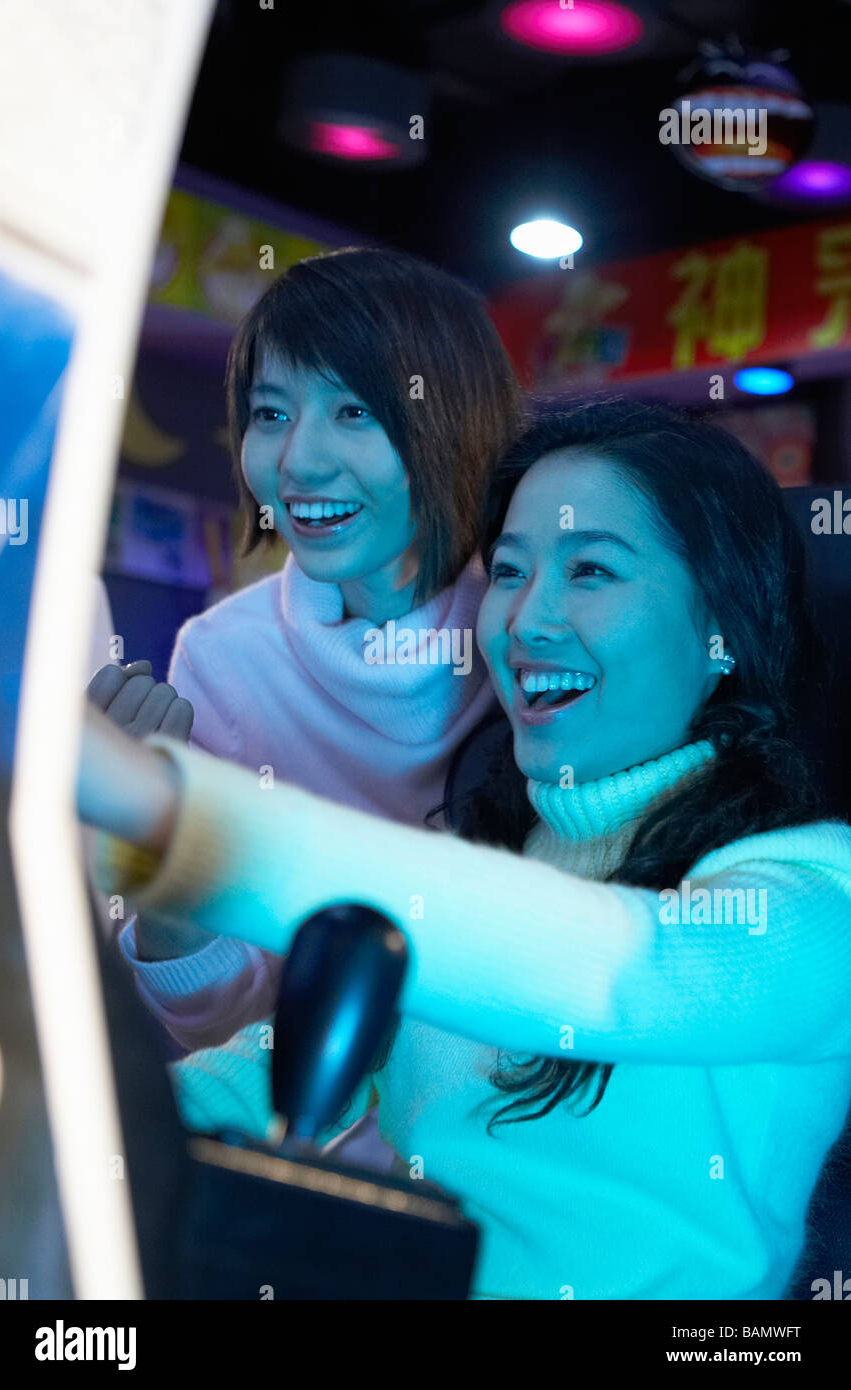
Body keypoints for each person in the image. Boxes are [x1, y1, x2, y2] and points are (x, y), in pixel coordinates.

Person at [78, 400, 851, 1299]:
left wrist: (165, 812)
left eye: (592, 570)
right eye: (511, 572)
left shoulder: (813, 895)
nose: (526, 620)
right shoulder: (481, 867)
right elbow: (243, 1081)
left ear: (723, 626)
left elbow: (619, 969)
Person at [89, 246, 522, 1055]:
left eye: (354, 412)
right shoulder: (224, 659)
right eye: (271, 413)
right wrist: (161, 841)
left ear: (456, 422)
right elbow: (221, 1020)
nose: (298, 463)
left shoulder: (531, 635)